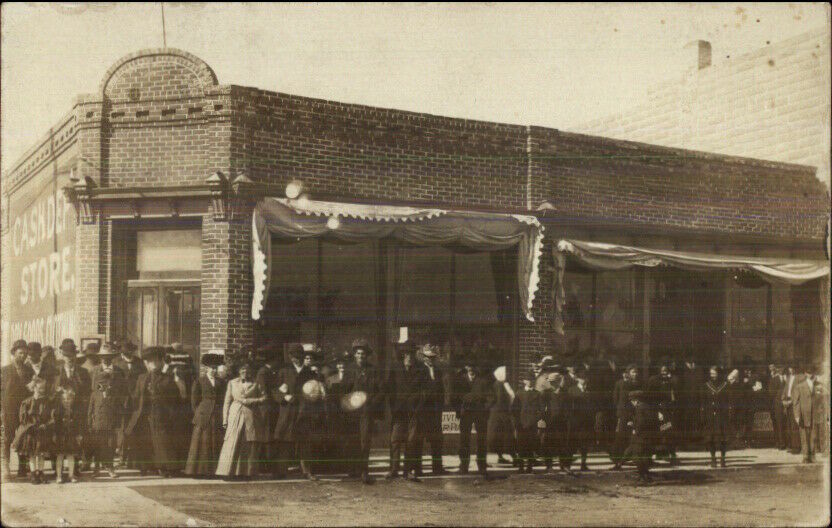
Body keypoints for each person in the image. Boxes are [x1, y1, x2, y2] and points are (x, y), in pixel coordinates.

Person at [124, 346, 182, 477]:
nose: (153, 364)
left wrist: (170, 414)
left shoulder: (168, 379)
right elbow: (136, 397)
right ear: (146, 363)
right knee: (146, 440)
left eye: (156, 361)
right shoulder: (142, 378)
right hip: (145, 414)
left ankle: (165, 467)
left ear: (161, 362)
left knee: (161, 441)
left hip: (162, 414)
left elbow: (175, 400)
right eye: (150, 362)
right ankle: (148, 466)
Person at [216, 360, 267, 479]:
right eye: (242, 369)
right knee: (232, 441)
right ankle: (227, 472)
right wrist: (225, 419)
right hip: (235, 414)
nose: (245, 372)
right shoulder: (232, 383)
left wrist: (250, 401)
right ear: (238, 371)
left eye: (247, 369)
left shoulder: (256, 383)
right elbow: (227, 402)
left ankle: (247, 473)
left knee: (249, 443)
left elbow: (265, 397)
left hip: (251, 415)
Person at [342, 338, 381, 484]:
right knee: (352, 441)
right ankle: (353, 470)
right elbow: (344, 391)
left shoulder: (373, 370)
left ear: (366, 355)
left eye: (363, 354)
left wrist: (371, 403)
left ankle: (364, 471)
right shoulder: (349, 370)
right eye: (358, 353)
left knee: (365, 441)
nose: (360, 356)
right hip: (352, 412)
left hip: (366, 412)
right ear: (354, 355)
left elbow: (380, 390)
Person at [385, 340, 425, 481]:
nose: (409, 357)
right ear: (403, 355)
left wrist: (418, 407)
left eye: (412, 354)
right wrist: (393, 407)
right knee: (395, 440)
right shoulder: (395, 368)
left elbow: (424, 391)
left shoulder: (421, 369)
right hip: (399, 412)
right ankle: (394, 469)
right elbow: (389, 389)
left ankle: (408, 470)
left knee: (411, 441)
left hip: (413, 412)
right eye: (407, 354)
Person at [185, 351, 227, 478]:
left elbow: (224, 398)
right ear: (206, 368)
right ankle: (198, 471)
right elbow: (194, 401)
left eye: (215, 368)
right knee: (202, 442)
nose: (213, 370)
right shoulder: (200, 381)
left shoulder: (222, 382)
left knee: (215, 441)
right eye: (211, 368)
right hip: (203, 414)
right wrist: (199, 414)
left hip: (217, 414)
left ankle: (214, 471)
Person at [12, 376, 58, 484]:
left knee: (41, 454)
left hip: (43, 430)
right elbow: (22, 419)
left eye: (43, 389)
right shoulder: (27, 402)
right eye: (39, 389)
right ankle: (33, 474)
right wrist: (31, 425)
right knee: (32, 454)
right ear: (34, 388)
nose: (41, 391)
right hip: (31, 431)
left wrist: (46, 424)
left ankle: (41, 473)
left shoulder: (47, 402)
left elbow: (52, 416)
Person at [272, 343, 306, 479]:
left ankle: (306, 471)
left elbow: (314, 390)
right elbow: (274, 390)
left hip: (303, 411)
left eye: (298, 356)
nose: (295, 359)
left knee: (304, 441)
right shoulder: (284, 372)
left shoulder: (309, 372)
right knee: (284, 440)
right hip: (287, 411)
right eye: (293, 356)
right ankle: (281, 471)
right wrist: (284, 396)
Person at [456, 360, 494, 477]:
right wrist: (459, 410)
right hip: (465, 414)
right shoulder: (460, 380)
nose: (471, 369)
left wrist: (485, 408)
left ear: (476, 369)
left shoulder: (483, 381)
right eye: (469, 367)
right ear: (466, 367)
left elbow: (491, 397)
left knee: (481, 440)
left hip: (480, 413)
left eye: (473, 367)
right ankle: (464, 465)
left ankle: (482, 466)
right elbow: (454, 396)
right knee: (464, 439)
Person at [2, 340, 34, 479]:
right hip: (8, 409)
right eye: (21, 353)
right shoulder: (4, 371)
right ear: (14, 353)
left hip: (24, 410)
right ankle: (5, 467)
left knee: (24, 436)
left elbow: (32, 391)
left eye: (26, 354)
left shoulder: (29, 371)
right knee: (7, 438)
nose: (23, 356)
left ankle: (22, 466)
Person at [294, 348, 327, 481]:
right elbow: (297, 391)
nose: (308, 361)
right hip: (303, 412)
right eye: (306, 359)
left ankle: (309, 468)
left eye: (310, 359)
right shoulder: (301, 374)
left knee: (312, 441)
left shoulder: (318, 375)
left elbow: (323, 393)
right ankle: (305, 469)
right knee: (304, 441)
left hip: (315, 412)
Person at [415, 344, 448, 476]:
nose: (430, 359)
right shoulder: (419, 371)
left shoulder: (438, 371)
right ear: (423, 357)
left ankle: (437, 467)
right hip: (423, 411)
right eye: (428, 357)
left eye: (432, 357)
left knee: (437, 440)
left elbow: (442, 390)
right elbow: (418, 390)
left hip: (435, 411)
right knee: (419, 440)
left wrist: (441, 405)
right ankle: (417, 468)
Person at [113, 339, 146, 468]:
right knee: (122, 428)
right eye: (126, 352)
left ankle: (132, 457)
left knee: (134, 427)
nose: (129, 354)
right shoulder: (116, 363)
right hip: (121, 400)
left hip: (136, 399)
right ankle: (121, 455)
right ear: (122, 352)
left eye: (130, 351)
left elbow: (144, 377)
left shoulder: (139, 362)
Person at [254, 345, 281, 477]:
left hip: (270, 408)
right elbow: (264, 391)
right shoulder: (263, 372)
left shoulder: (268, 371)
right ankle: (264, 466)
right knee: (266, 436)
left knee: (268, 436)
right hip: (266, 408)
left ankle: (266, 465)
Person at [87, 372, 121, 478]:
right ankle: (96, 469)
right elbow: (90, 411)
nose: (103, 385)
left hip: (110, 426)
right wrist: (89, 425)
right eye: (101, 383)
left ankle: (110, 468)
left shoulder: (114, 393)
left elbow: (118, 410)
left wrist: (117, 425)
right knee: (97, 448)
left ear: (109, 382)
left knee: (110, 447)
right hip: (97, 426)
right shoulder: (94, 394)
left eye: (106, 382)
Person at [539, 368, 572, 475]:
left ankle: (564, 466)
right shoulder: (546, 394)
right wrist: (542, 419)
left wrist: (567, 419)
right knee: (548, 444)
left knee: (563, 445)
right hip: (550, 423)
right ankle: (549, 466)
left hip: (562, 423)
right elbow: (541, 408)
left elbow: (568, 408)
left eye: (553, 382)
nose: (552, 384)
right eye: (550, 382)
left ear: (558, 382)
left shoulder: (565, 393)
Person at [622, 390, 658, 485]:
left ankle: (643, 477)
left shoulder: (640, 408)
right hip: (647, 436)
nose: (631, 402)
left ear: (636, 400)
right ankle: (646, 476)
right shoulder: (646, 406)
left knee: (636, 456)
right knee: (644, 455)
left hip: (640, 436)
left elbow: (641, 422)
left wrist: (634, 427)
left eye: (632, 400)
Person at [792, 364, 825, 463]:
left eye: (812, 373)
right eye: (808, 373)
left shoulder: (818, 385)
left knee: (813, 436)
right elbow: (796, 402)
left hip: (815, 414)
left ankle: (812, 455)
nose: (810, 375)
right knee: (804, 435)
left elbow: (822, 400)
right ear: (805, 374)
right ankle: (805, 456)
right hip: (803, 414)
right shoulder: (799, 386)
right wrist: (797, 415)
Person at [647, 363, 679, 465]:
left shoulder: (671, 381)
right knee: (662, 431)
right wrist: (657, 411)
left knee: (668, 431)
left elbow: (675, 390)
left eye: (666, 371)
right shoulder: (656, 382)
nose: (664, 373)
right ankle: (661, 453)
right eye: (662, 371)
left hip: (670, 410)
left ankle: (670, 453)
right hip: (660, 410)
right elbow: (652, 397)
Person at [611, 364, 641, 468]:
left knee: (632, 437)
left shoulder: (638, 384)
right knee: (620, 436)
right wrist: (622, 414)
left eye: (636, 372)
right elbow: (616, 400)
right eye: (633, 372)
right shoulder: (621, 384)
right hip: (623, 414)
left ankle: (631, 458)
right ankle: (617, 460)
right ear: (628, 373)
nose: (635, 374)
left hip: (635, 414)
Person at [54, 387, 85, 483]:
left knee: (71, 456)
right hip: (61, 435)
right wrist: (54, 435)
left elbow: (78, 424)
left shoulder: (75, 411)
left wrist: (79, 435)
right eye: (63, 399)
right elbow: (55, 424)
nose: (66, 401)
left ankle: (71, 475)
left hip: (71, 435)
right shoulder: (58, 411)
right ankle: (59, 476)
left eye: (68, 399)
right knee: (60, 456)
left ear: (72, 399)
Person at [513, 374, 542, 473]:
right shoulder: (519, 393)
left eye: (532, 380)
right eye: (528, 380)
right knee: (521, 445)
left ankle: (529, 466)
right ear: (524, 381)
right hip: (521, 423)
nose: (530, 381)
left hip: (532, 423)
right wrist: (517, 422)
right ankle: (521, 466)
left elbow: (541, 409)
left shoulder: (537, 394)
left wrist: (536, 419)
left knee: (531, 444)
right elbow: (514, 409)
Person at [567, 365, 594, 471]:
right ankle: (567, 465)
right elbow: (569, 406)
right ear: (577, 379)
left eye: (585, 379)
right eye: (582, 378)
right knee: (573, 444)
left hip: (586, 422)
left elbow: (592, 406)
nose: (584, 381)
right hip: (575, 422)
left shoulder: (589, 391)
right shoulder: (572, 390)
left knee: (584, 444)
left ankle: (583, 463)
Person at [702, 366, 730, 468]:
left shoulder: (725, 385)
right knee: (710, 439)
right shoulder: (706, 386)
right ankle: (713, 459)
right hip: (710, 416)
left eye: (714, 373)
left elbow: (728, 401)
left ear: (719, 373)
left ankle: (723, 459)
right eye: (711, 373)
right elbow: (704, 402)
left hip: (722, 416)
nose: (712, 375)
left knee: (723, 439)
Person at [488, 366, 517, 466]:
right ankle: (514, 457)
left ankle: (503, 456)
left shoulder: (505, 384)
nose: (508, 374)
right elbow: (501, 400)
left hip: (503, 413)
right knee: (506, 436)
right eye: (506, 372)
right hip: (500, 414)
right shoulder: (499, 385)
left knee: (504, 436)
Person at [678, 354, 704, 448]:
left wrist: (701, 399)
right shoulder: (681, 370)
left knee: (695, 419)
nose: (692, 361)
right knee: (686, 419)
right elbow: (679, 387)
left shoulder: (699, 369)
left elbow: (701, 385)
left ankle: (695, 440)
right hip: (685, 400)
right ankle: (686, 441)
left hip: (696, 400)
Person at [781, 364, 801, 454]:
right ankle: (792, 445)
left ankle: (797, 447)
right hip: (787, 402)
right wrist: (783, 400)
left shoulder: (799, 378)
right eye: (789, 368)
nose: (790, 370)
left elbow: (798, 393)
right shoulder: (789, 378)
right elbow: (785, 390)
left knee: (794, 426)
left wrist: (791, 401)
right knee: (789, 425)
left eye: (791, 368)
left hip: (794, 403)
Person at [768, 365, 787, 450]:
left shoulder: (788, 378)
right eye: (779, 368)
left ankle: (789, 443)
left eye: (782, 368)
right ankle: (781, 443)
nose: (781, 370)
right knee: (779, 423)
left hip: (788, 403)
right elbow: (771, 392)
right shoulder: (774, 379)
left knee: (788, 423)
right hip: (778, 404)